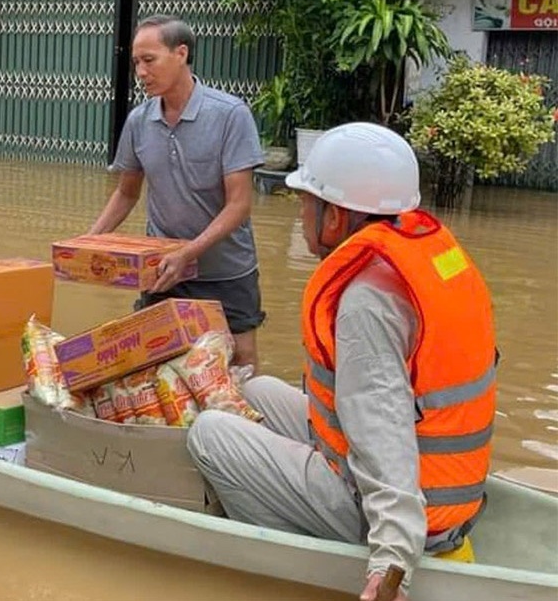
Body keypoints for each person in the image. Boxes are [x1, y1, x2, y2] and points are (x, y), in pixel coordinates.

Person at [186, 123, 498, 600]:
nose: (302, 213)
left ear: (335, 218)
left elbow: (382, 427)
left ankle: (292, 553)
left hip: (399, 510)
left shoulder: (366, 300)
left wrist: (393, 558)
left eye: (308, 202)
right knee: (254, 390)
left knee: (210, 432)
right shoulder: (425, 258)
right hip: (441, 484)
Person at [88, 14, 265, 369]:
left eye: (149, 60)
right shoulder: (139, 120)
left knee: (240, 360)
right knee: (155, 362)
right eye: (136, 62)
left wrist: (188, 253)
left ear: (181, 53)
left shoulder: (230, 115)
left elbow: (239, 205)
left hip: (225, 271)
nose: (140, 72)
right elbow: (127, 193)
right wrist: (89, 241)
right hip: (162, 269)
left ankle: (237, 425)